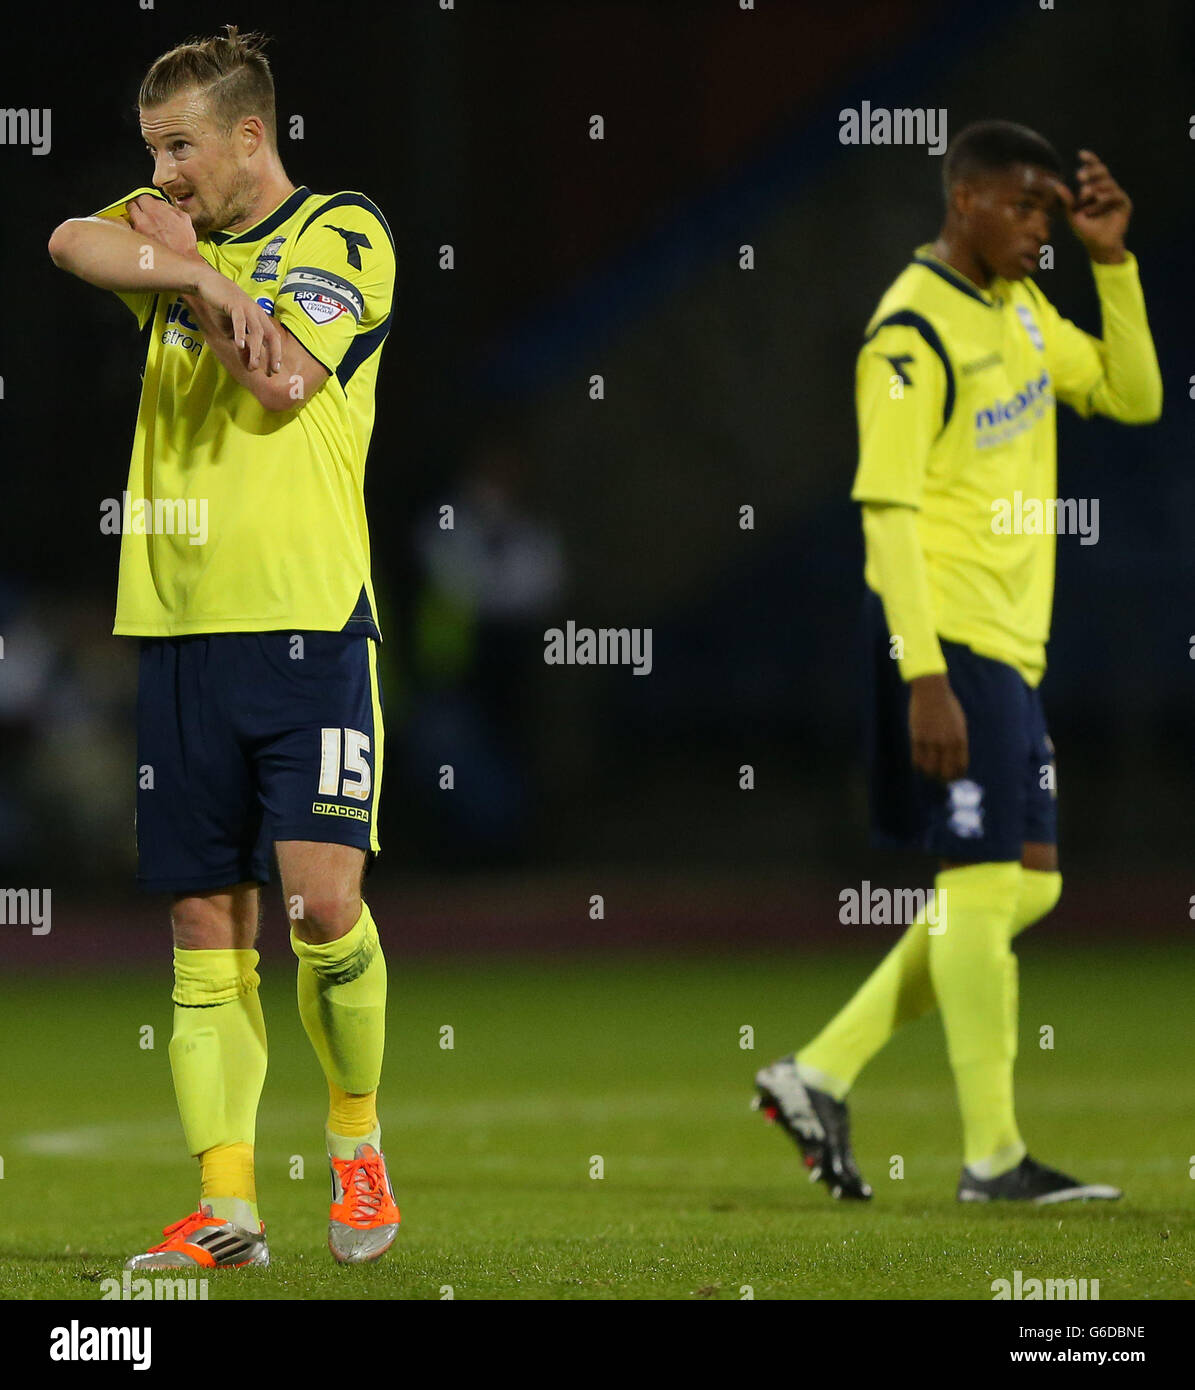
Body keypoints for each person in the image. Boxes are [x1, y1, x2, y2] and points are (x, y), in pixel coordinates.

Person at [755, 121, 1161, 1203]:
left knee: (1027, 886)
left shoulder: (1021, 309)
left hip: (1008, 647)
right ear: (965, 200)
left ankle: (817, 1070)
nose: (1044, 227)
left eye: (1051, 210)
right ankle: (992, 1157)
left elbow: (1133, 394)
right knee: (984, 884)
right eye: (1026, 206)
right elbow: (884, 519)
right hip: (945, 637)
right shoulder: (907, 334)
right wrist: (922, 672)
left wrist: (1113, 266)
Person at [48, 26, 399, 1265]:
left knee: (318, 903)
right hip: (177, 622)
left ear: (251, 134)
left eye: (181, 144)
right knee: (205, 922)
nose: (164, 171)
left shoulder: (342, 234)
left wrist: (198, 277)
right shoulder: (171, 234)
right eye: (152, 148)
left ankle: (357, 1148)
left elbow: (285, 379)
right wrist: (192, 275)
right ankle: (229, 1203)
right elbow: (69, 239)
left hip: (305, 620)